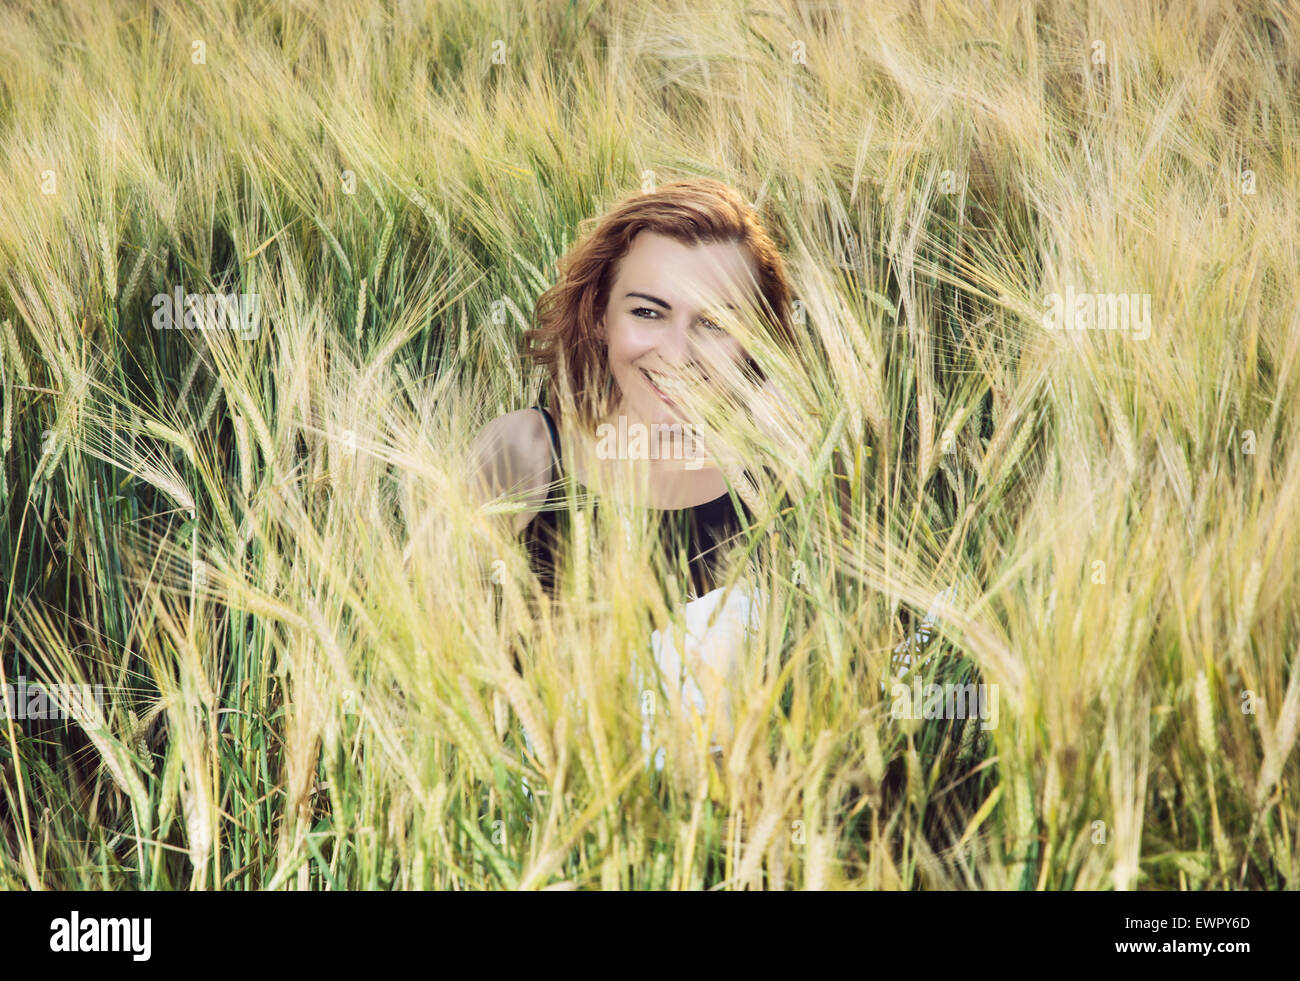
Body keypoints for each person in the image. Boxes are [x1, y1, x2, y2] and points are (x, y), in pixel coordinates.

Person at [469, 178, 804, 769]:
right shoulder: (523, 454)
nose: (678, 356)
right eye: (648, 312)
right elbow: (407, 665)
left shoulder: (791, 481)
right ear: (600, 315)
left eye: (717, 323)